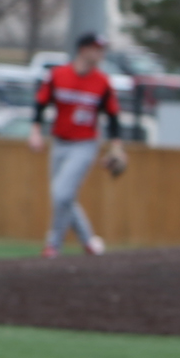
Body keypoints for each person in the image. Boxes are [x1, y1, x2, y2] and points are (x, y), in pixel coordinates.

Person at [28, 32, 124, 258]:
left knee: (61, 194)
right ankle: (89, 241)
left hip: (85, 144)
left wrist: (117, 147)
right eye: (96, 48)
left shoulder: (102, 82)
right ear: (83, 49)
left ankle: (53, 245)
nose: (100, 53)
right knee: (63, 196)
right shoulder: (58, 75)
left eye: (102, 49)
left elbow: (113, 117)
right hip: (59, 143)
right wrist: (35, 131)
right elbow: (41, 103)